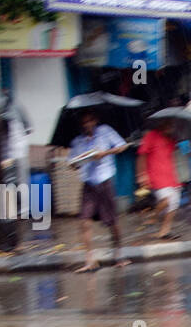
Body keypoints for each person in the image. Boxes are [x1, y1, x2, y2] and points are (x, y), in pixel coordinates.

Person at [69, 110, 128, 272]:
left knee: (112, 222)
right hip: (88, 183)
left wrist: (105, 153)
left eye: (90, 121)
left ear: (95, 120)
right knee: (84, 221)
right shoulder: (77, 141)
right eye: (84, 122)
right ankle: (90, 259)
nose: (87, 125)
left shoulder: (105, 131)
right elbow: (72, 164)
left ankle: (118, 253)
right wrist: (81, 158)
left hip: (104, 180)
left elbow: (122, 146)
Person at [137, 119, 180, 239]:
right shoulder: (151, 136)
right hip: (155, 175)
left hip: (170, 175)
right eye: (168, 124)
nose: (170, 126)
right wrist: (141, 174)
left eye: (171, 124)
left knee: (174, 203)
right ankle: (153, 217)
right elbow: (142, 155)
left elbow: (173, 151)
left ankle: (164, 231)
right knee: (167, 199)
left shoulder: (171, 138)